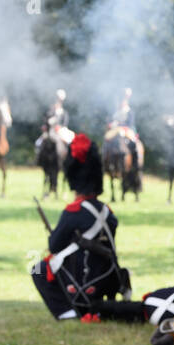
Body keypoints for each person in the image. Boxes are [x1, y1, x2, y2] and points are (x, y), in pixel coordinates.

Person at [30, 133, 130, 321]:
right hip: (106, 279)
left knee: (37, 268)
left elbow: (54, 246)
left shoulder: (73, 211)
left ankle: (65, 311)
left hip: (81, 282)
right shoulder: (108, 212)